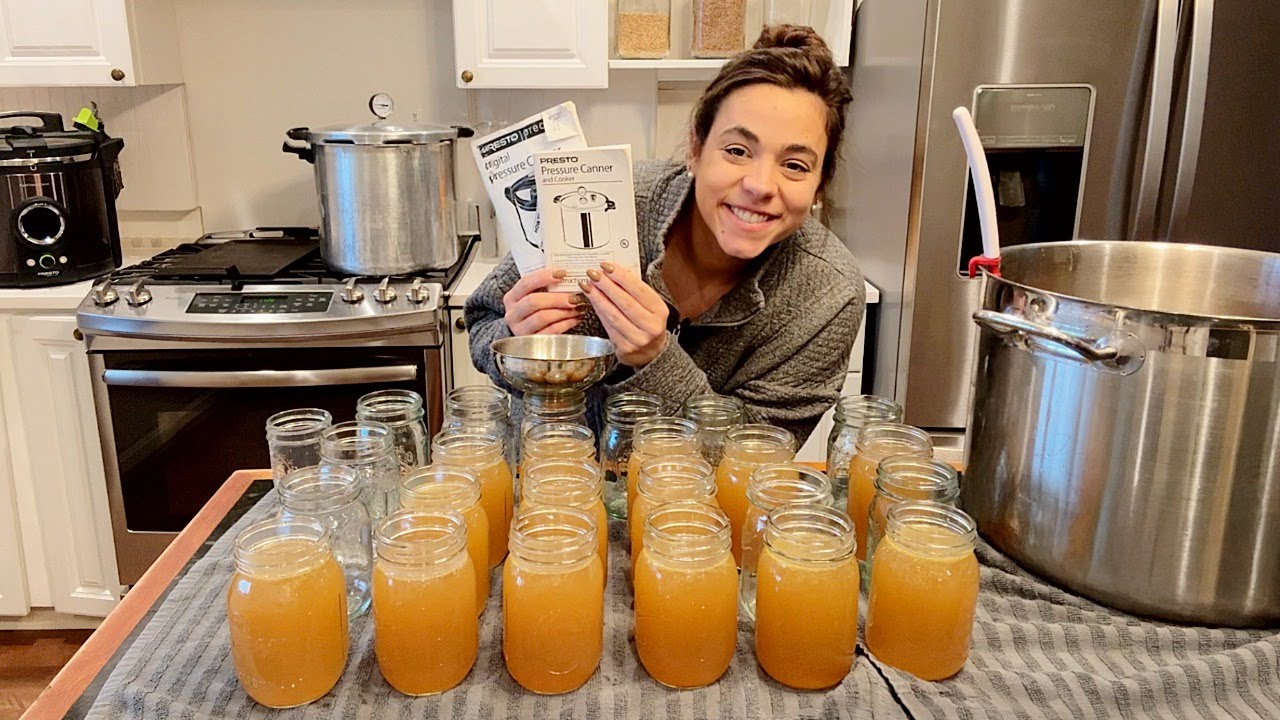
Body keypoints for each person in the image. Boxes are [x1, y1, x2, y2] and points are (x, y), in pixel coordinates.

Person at [465, 25, 864, 444]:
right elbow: (482, 323)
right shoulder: (616, 198)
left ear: (819, 185)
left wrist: (656, 359)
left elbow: (752, 461)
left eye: (795, 165)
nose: (761, 185)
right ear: (696, 149)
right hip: (551, 480)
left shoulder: (827, 296)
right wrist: (515, 343)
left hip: (693, 508)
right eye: (737, 151)